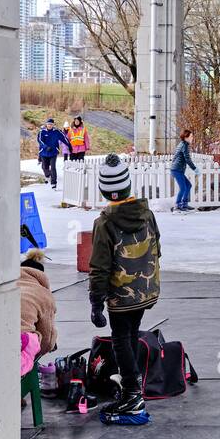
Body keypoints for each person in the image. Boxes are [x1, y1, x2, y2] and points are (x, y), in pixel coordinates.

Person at [89, 155, 161, 425]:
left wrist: (96, 302)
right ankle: (131, 385)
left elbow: (99, 267)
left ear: (104, 190)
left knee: (121, 338)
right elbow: (158, 248)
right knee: (130, 333)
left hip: (121, 296)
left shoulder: (105, 223)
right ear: (129, 186)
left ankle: (132, 395)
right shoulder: (147, 214)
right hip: (145, 290)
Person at [18, 248, 58, 377]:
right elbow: (47, 335)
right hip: (22, 339)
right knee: (32, 342)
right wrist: (49, 347)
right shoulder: (43, 294)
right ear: (41, 276)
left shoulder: (9, 285)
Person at [36, 118, 70, 189]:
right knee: (45, 167)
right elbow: (39, 140)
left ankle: (54, 183)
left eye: (51, 124)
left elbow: (64, 138)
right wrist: (45, 147)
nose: (49, 125)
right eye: (48, 124)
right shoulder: (42, 132)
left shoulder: (57, 132)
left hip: (53, 152)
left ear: (53, 125)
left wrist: (69, 146)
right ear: (46, 124)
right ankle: (47, 175)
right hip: (44, 152)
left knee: (53, 167)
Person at [170, 128, 198, 213]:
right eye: (191, 136)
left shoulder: (183, 144)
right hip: (176, 170)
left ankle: (184, 204)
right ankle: (178, 205)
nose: (192, 138)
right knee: (183, 188)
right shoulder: (184, 146)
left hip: (178, 169)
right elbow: (187, 159)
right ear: (186, 137)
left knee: (188, 185)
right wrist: (195, 168)